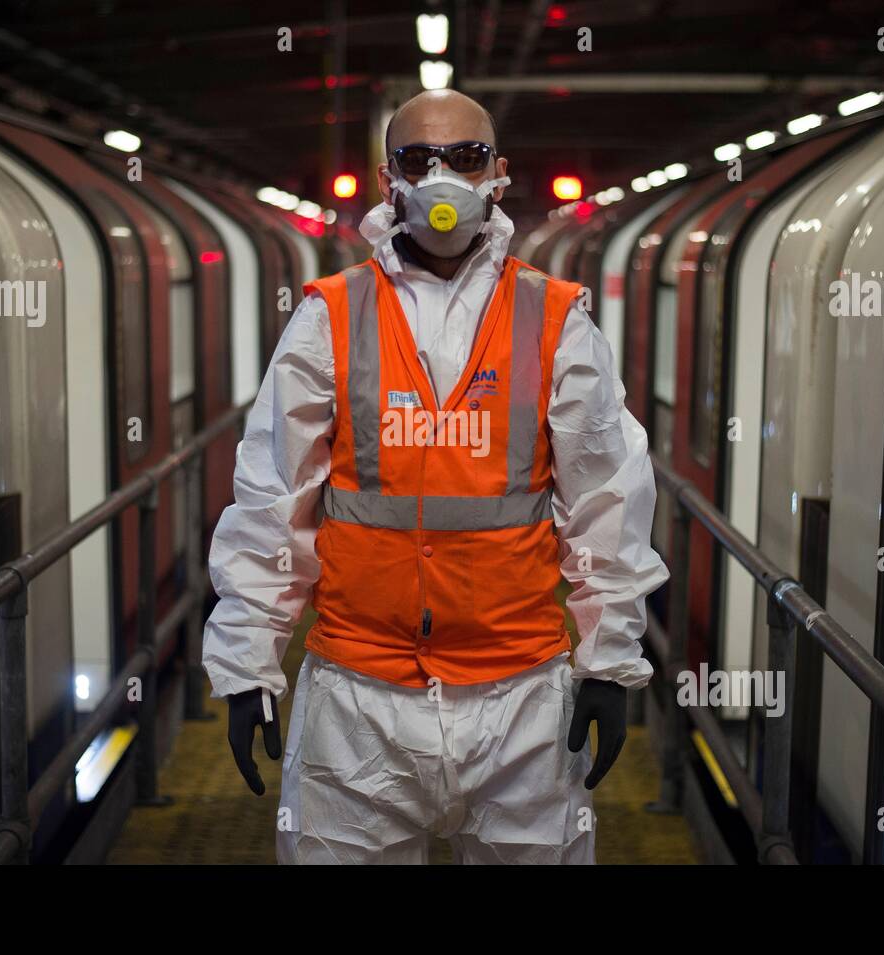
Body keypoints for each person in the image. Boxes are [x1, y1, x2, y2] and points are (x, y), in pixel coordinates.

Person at [202, 88, 667, 865]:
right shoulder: (330, 314)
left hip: (521, 698)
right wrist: (249, 657)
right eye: (420, 159)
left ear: (498, 174)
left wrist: (610, 660)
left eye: (466, 156)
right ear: (390, 180)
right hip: (357, 700)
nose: (442, 175)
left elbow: (606, 498)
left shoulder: (555, 318)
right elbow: (272, 495)